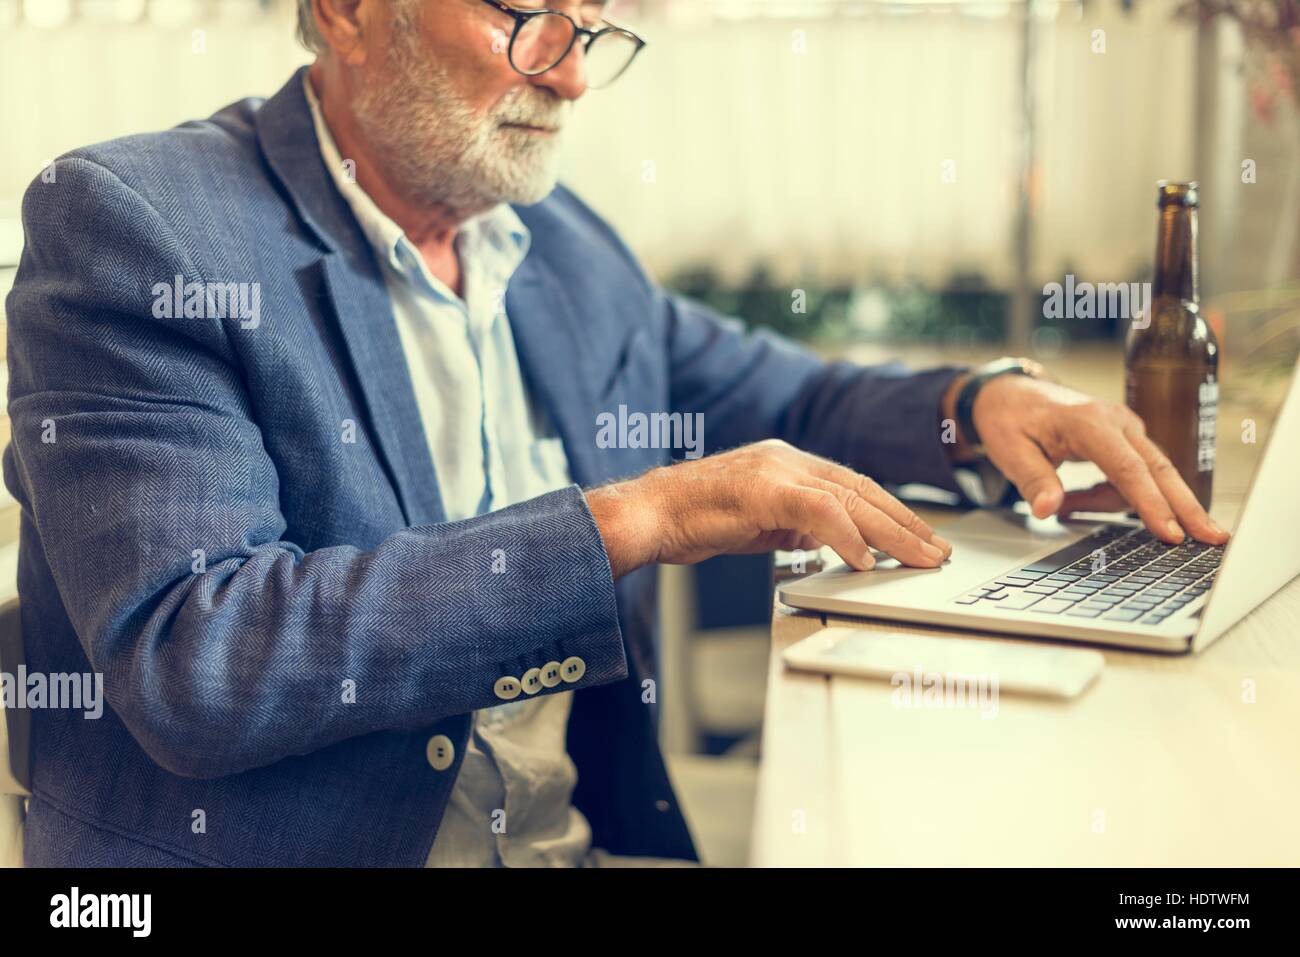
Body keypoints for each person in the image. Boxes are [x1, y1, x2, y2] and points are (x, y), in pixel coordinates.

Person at [3, 0, 1227, 867]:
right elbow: (194, 661)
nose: (571, 71)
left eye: (591, 27)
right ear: (346, 9)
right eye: (528, 13)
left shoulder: (555, 246)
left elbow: (783, 401)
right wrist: (639, 519)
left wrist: (978, 401)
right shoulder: (140, 230)